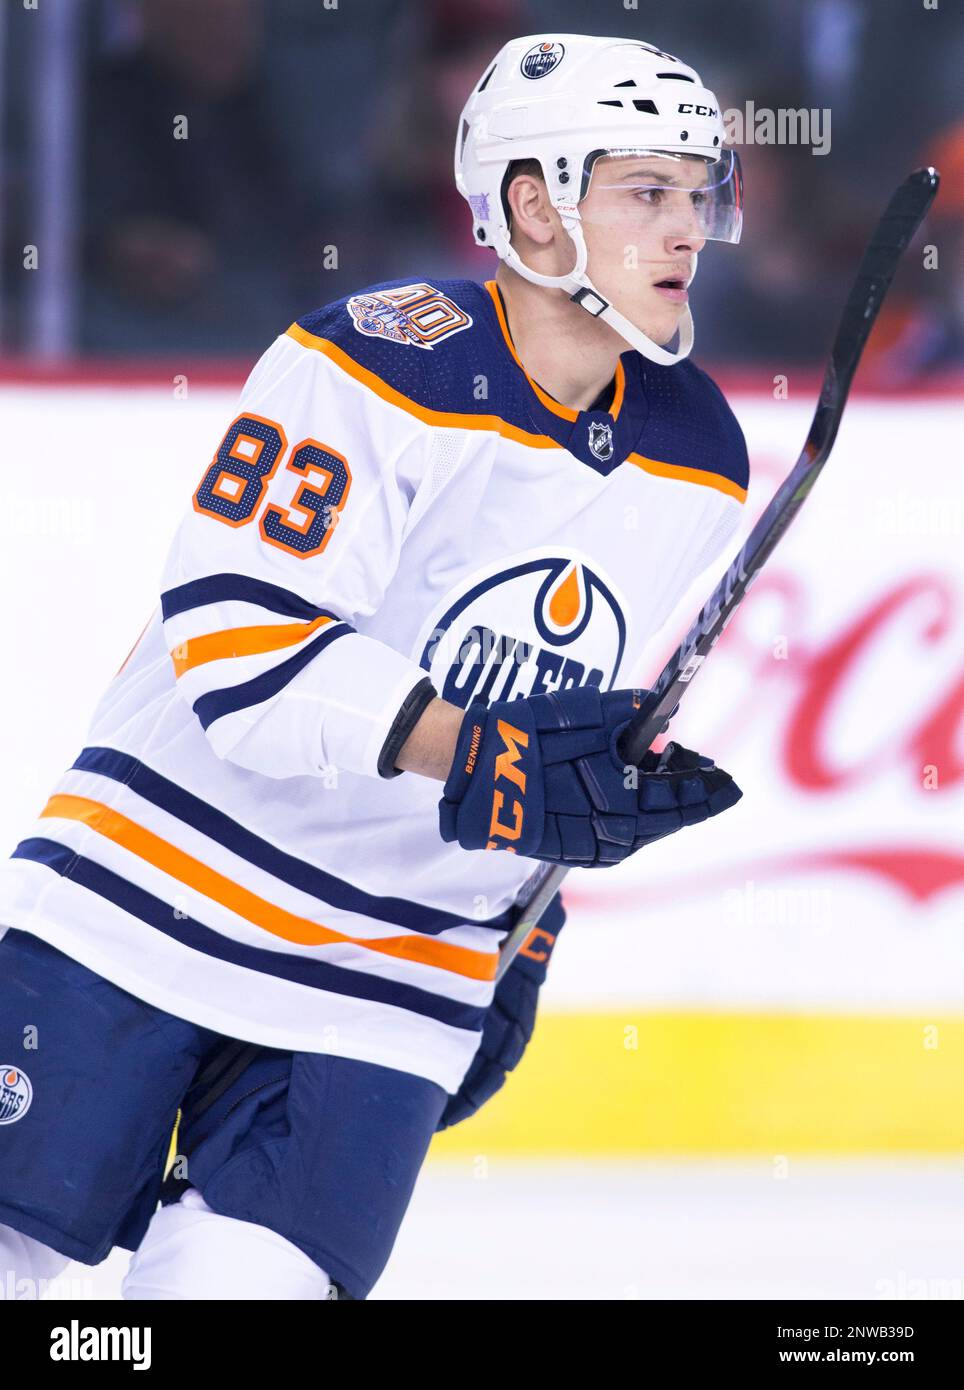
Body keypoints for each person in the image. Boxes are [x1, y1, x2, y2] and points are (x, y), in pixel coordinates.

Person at [0, 34, 747, 1301]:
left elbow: (552, 736)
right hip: (140, 907)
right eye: (646, 191)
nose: (690, 230)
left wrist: (531, 919)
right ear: (533, 204)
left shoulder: (698, 456)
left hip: (391, 980)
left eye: (699, 192)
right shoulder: (372, 359)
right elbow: (239, 642)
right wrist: (480, 751)